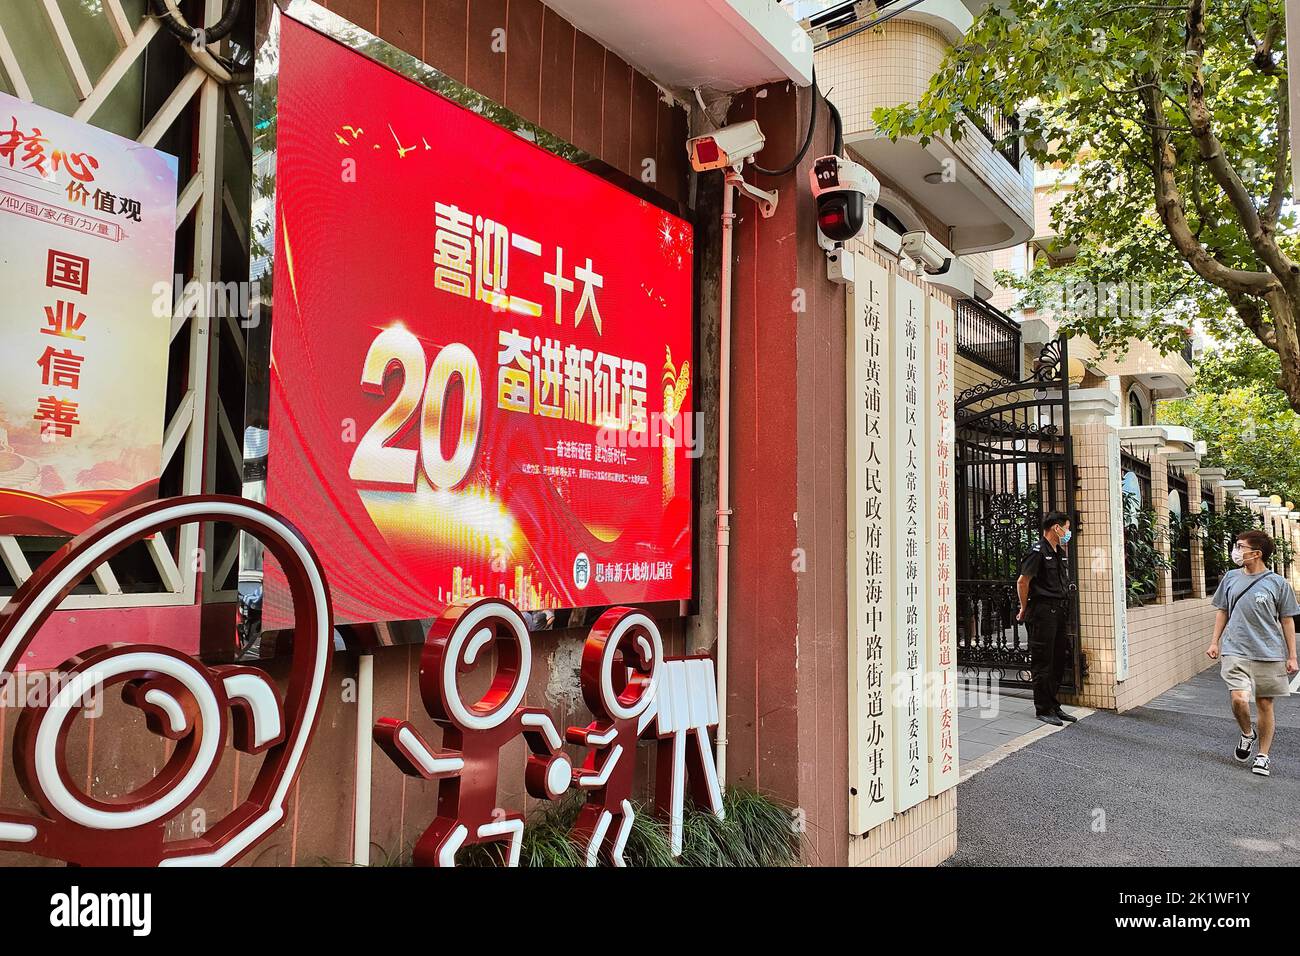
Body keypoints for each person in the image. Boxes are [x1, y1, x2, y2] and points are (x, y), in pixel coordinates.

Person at [1206, 530, 1299, 777]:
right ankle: (1248, 734)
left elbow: (1287, 620)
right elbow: (1222, 611)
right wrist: (1215, 641)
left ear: (1256, 553)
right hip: (1235, 649)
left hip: (1268, 652)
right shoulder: (1230, 578)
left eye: (1240, 546)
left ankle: (1263, 755)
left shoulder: (1277, 583)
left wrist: (1292, 656)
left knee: (1265, 704)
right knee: (1238, 699)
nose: (1236, 550)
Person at [1016, 512, 1078, 726]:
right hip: (1043, 611)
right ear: (1055, 528)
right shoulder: (1037, 551)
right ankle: (1043, 708)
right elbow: (1023, 582)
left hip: (1059, 611)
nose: (1068, 532)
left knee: (1059, 659)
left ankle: (1054, 704)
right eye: (1067, 528)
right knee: (1043, 661)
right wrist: (1024, 607)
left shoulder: (1059, 552)